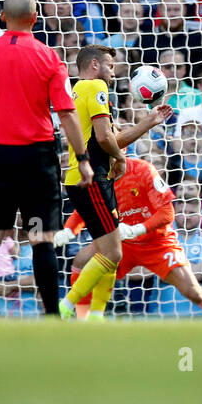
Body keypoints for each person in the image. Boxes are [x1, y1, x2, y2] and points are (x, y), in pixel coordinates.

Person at [0, 0, 92, 315]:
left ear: (2, 16)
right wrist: (82, 158)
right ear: (35, 18)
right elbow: (67, 112)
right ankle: (51, 314)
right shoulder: (49, 57)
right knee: (41, 237)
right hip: (36, 159)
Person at [55, 156, 202, 321]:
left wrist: (138, 229)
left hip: (158, 244)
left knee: (194, 293)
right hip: (122, 243)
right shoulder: (96, 176)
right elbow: (87, 208)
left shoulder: (143, 170)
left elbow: (168, 213)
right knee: (82, 259)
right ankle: (84, 322)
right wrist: (69, 230)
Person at [51, 45, 136, 321]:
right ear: (96, 65)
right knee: (112, 253)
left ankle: (96, 318)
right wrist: (119, 159)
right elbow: (104, 138)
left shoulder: (78, 90)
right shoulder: (96, 86)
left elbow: (109, 137)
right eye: (111, 65)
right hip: (92, 180)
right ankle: (67, 305)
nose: (114, 71)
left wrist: (147, 122)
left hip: (83, 178)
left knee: (108, 252)